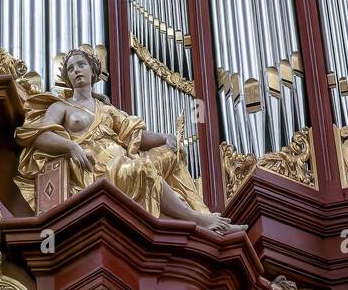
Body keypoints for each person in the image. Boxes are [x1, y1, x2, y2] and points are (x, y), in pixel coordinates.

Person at [16, 46, 246, 234]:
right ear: (66, 76)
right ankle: (196, 220)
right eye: (70, 68)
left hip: (120, 158)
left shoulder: (105, 109)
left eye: (81, 64)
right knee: (142, 168)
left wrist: (165, 138)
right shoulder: (61, 106)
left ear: (93, 71)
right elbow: (40, 135)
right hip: (95, 167)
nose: (76, 70)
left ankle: (206, 215)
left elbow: (135, 134)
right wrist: (71, 146)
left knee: (170, 155)